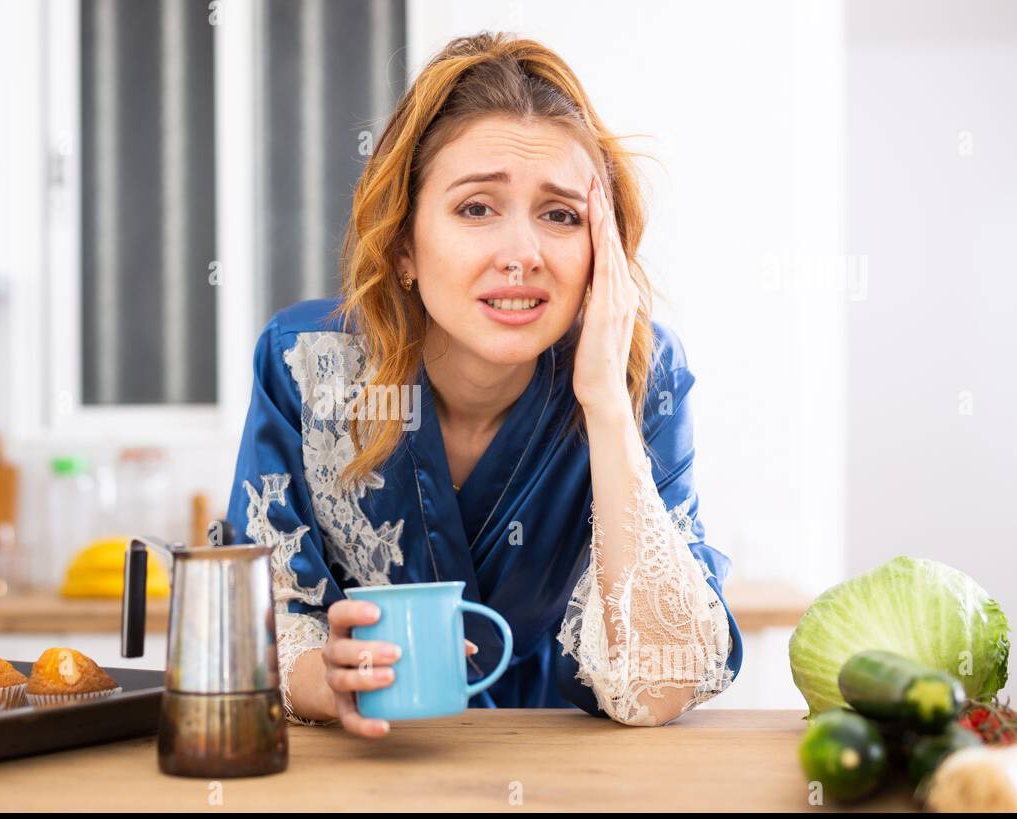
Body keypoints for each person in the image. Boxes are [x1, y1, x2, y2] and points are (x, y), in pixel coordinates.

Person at [225, 31, 742, 737]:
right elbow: (256, 630)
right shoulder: (304, 365)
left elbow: (661, 682)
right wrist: (327, 679)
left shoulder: (641, 377)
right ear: (405, 242)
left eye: (560, 215)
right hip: (367, 782)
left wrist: (604, 405)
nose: (522, 255)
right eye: (476, 209)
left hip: (574, 787)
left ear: (601, 249)